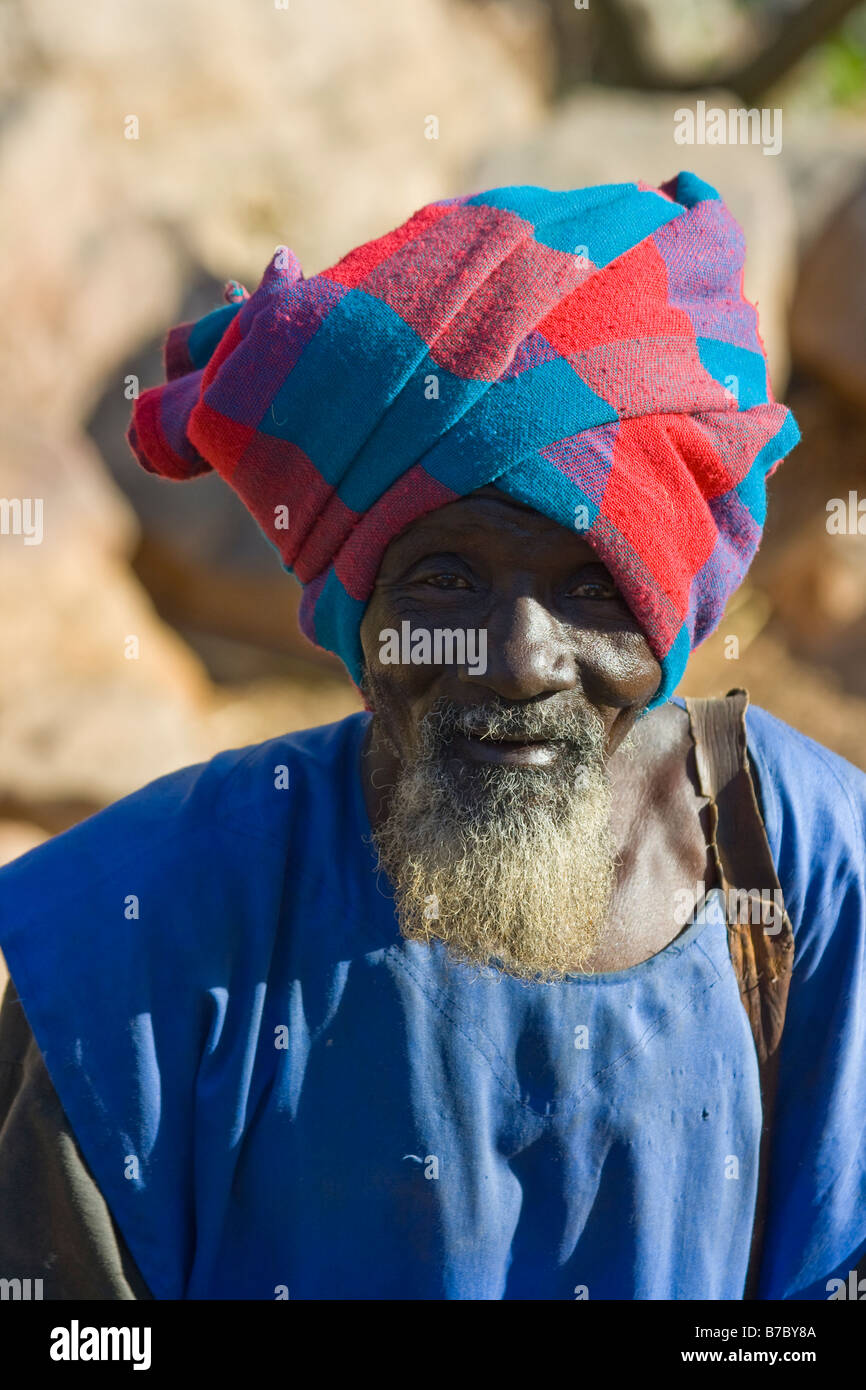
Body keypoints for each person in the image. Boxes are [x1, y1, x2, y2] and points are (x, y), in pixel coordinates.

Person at [1, 173, 864, 1301]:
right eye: (444, 579)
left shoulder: (812, 879)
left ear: (668, 609)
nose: (515, 659)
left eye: (592, 589)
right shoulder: (135, 941)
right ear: (358, 608)